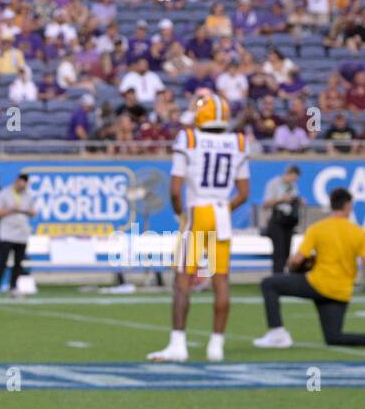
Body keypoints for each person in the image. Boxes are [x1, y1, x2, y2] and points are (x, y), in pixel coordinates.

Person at [148, 95, 250, 363]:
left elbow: (174, 188)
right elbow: (244, 192)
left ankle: (178, 344)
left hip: (198, 210)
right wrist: (224, 210)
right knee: (221, 280)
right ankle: (216, 346)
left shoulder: (190, 139)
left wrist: (181, 212)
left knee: (182, 280)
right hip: (221, 212)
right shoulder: (238, 142)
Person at [254, 187, 365, 348]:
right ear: (348, 205)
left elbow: (297, 259)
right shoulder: (358, 233)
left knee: (269, 284)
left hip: (316, 283)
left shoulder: (318, 228)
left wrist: (294, 267)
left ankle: (277, 333)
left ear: (331, 203)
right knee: (334, 337)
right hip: (341, 290)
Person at [0, 172, 34, 295]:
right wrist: (11, 209)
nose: (23, 185)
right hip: (7, 233)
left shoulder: (28, 195)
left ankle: (13, 287)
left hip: (22, 234)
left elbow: (33, 212)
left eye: (26, 183)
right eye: (22, 182)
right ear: (17, 181)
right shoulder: (4, 193)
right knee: (3, 262)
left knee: (18, 263)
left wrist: (26, 211)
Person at [260, 164, 302, 273]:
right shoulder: (274, 183)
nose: (294, 180)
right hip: (276, 220)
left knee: (287, 251)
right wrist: (282, 199)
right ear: (289, 173)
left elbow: (294, 199)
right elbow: (266, 203)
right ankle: (277, 276)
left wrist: (298, 201)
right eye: (293, 177)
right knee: (279, 251)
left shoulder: (293, 186)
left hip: (289, 221)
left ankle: (284, 275)